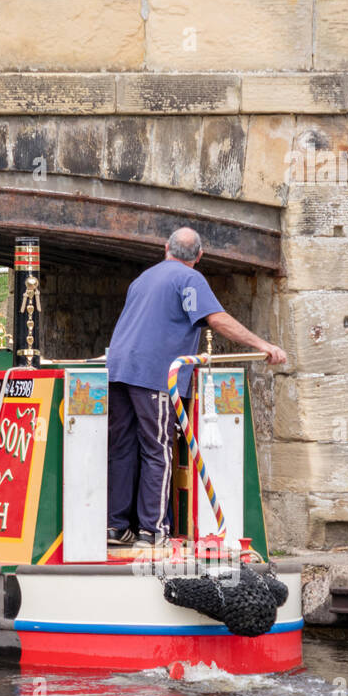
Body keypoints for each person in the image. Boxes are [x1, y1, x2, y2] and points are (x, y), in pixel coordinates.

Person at [105, 227, 286, 547]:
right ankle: (153, 531)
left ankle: (116, 526)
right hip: (155, 374)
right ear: (199, 257)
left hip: (118, 370)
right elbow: (217, 319)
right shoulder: (190, 279)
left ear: (166, 248)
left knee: (121, 447)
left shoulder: (142, 279)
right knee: (157, 449)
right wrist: (263, 345)